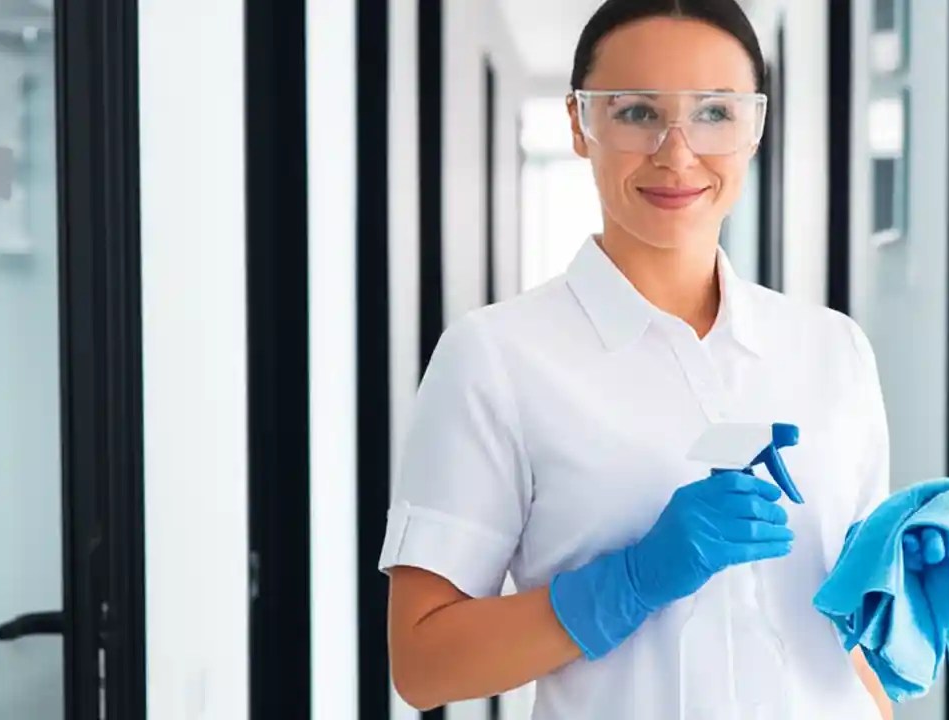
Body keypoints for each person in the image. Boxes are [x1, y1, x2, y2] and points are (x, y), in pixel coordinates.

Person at [381, 0, 893, 717]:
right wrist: (631, 580)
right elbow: (424, 664)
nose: (676, 153)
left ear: (756, 126)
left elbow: (851, 642)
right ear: (579, 124)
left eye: (715, 112)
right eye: (635, 112)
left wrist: (912, 583)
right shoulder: (497, 358)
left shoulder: (834, 350)